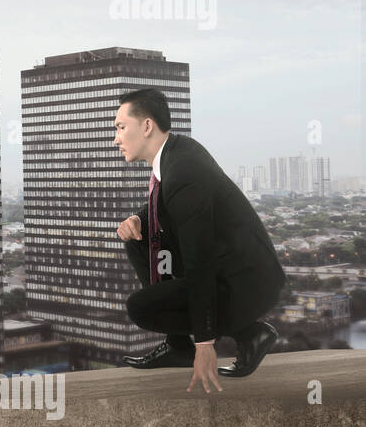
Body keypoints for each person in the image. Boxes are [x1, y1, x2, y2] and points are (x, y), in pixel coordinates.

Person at [113, 88, 287, 390]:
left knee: (140, 308)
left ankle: (248, 332)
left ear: (146, 126)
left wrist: (205, 344)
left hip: (246, 281)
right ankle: (178, 346)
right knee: (137, 239)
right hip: (231, 266)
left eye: (120, 127)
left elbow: (199, 260)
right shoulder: (178, 152)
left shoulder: (183, 170)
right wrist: (139, 218)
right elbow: (168, 200)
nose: (116, 139)